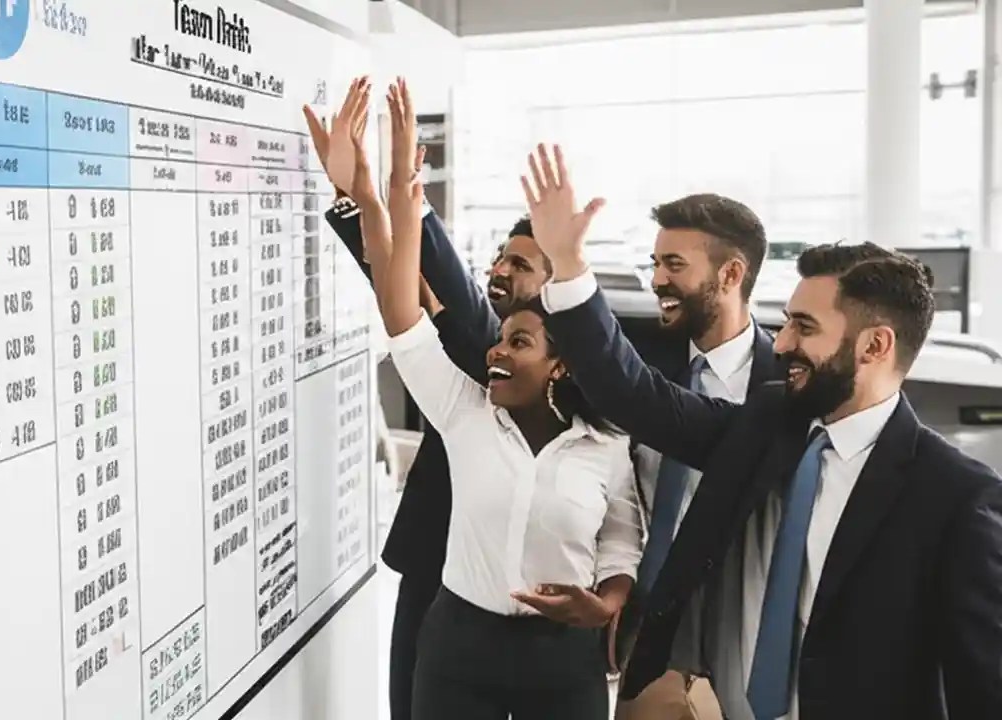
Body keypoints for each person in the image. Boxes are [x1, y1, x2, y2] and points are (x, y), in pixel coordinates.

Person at [515, 144, 1002, 719]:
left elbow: (982, 687)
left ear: (875, 346)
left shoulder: (955, 498)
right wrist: (568, 264)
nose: (784, 342)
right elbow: (636, 397)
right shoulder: (769, 422)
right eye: (787, 321)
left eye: (804, 327)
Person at [360, 79, 641, 720]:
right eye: (500, 339)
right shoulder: (465, 412)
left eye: (519, 342)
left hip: (564, 659)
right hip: (459, 646)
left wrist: (606, 602)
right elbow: (400, 311)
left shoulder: (606, 443)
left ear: (561, 362)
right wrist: (401, 184)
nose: (497, 351)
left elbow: (622, 538)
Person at [303, 78, 552, 720]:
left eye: (521, 265)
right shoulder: (475, 344)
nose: (499, 270)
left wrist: (399, 194)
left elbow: (448, 293)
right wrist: (358, 197)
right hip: (433, 569)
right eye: (500, 258)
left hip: (530, 612)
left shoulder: (571, 378)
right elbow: (400, 283)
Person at [612, 194, 779, 720]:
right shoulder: (636, 369)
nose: (657, 279)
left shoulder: (788, 386)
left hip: (746, 636)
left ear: (731, 274)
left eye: (674, 264)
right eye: (655, 263)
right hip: (645, 630)